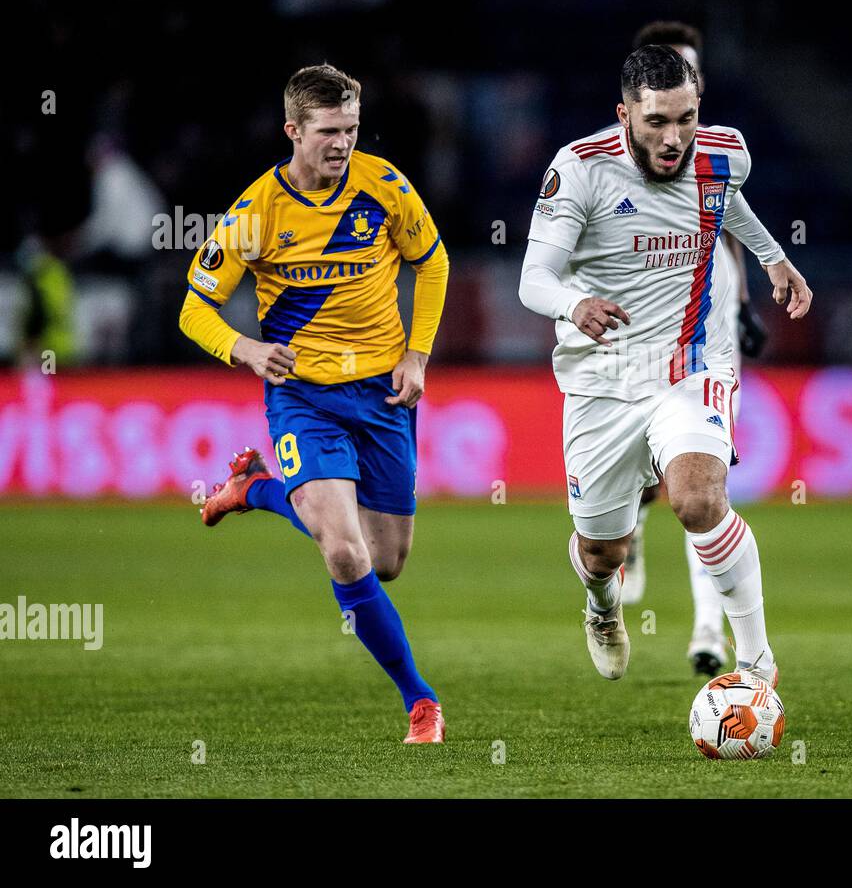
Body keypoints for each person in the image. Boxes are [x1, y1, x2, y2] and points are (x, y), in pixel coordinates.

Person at [518, 45, 812, 684]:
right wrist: (575, 302)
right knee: (604, 549)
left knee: (697, 500)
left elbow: (724, 198)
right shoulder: (579, 170)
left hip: (693, 361)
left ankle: (757, 662)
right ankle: (601, 605)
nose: (675, 138)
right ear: (623, 114)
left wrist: (771, 257)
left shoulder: (724, 151)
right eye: (657, 122)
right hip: (602, 377)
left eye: (686, 118)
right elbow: (532, 279)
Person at [178, 63, 451, 742]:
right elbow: (195, 308)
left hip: (384, 392)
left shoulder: (383, 184)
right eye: (329, 131)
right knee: (345, 554)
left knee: (385, 560)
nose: (343, 144)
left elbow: (434, 262)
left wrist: (418, 353)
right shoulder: (254, 213)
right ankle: (420, 701)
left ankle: (256, 491)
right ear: (293, 130)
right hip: (303, 398)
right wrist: (244, 349)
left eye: (352, 129)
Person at [618, 20, 768, 677]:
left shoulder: (713, 151)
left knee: (704, 487)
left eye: (693, 72)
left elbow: (726, 220)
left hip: (707, 328)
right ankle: (631, 522)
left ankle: (710, 631)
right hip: (634, 332)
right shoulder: (617, 160)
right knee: (647, 479)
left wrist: (744, 303)